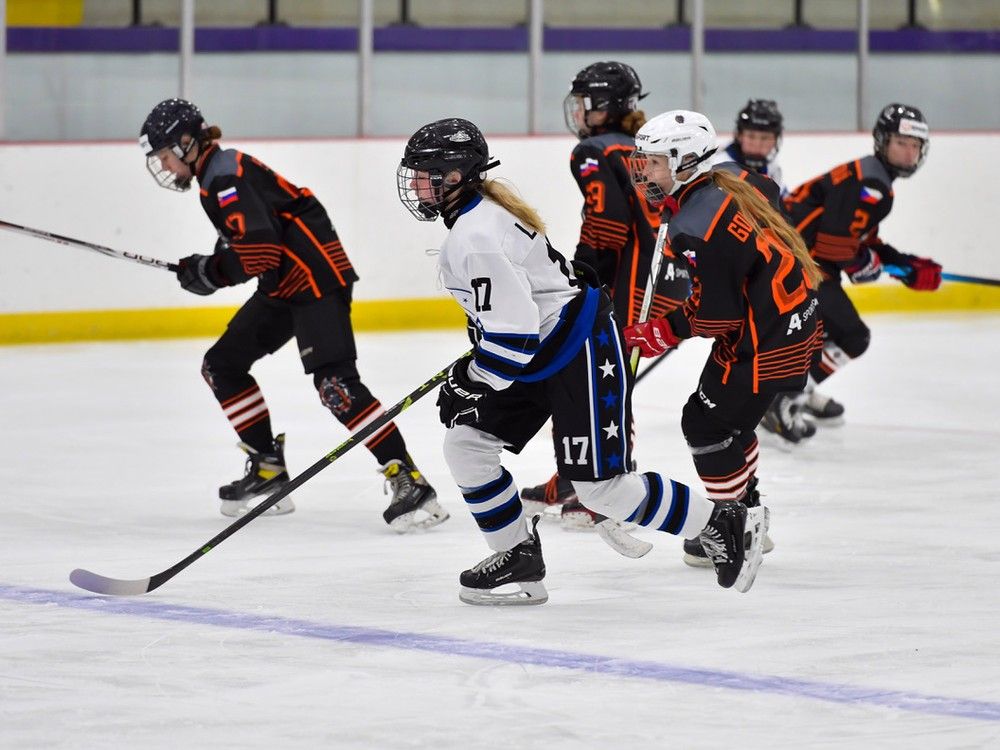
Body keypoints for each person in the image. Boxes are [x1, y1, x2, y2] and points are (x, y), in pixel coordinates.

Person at [396, 117, 768, 604]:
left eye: (425, 173)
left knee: (600, 489)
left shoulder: (475, 237)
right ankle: (519, 560)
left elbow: (512, 337)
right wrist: (475, 372)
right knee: (467, 445)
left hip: (579, 350)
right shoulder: (477, 218)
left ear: (454, 176)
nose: (416, 184)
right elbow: (514, 325)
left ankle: (723, 522)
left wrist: (470, 377)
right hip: (542, 351)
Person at [139, 98, 446, 531]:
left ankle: (409, 479)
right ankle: (267, 469)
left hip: (316, 279)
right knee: (221, 365)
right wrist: (209, 266)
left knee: (335, 385)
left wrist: (210, 272)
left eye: (167, 155)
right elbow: (251, 241)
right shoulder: (216, 174)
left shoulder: (226, 175)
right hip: (284, 285)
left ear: (188, 143)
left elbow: (260, 251)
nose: (167, 167)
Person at [621, 110, 823, 568]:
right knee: (726, 423)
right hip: (793, 322)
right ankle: (748, 516)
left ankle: (732, 530)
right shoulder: (738, 180)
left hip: (763, 340)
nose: (643, 170)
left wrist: (662, 330)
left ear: (686, 161)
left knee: (705, 425)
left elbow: (718, 314)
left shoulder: (695, 226)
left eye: (653, 162)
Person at [520, 61, 692, 527]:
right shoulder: (638, 148)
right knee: (598, 381)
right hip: (663, 281)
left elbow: (608, 226)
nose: (578, 112)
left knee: (606, 384)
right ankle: (578, 478)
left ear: (604, 107)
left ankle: (608, 486)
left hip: (628, 286)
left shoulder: (593, 150)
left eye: (584, 103)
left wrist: (578, 278)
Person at [777, 103, 942, 428]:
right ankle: (786, 397)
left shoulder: (871, 177)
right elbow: (836, 246)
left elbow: (859, 240)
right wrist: (867, 263)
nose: (909, 153)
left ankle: (792, 392)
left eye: (915, 145)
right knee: (854, 337)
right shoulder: (871, 184)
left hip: (798, 261)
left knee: (821, 334)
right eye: (901, 143)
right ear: (882, 140)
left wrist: (905, 265)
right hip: (799, 265)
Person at [710, 98, 788, 196]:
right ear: (739, 136)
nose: (757, 144)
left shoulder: (772, 168)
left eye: (765, 138)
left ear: (775, 140)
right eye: (751, 136)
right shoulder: (717, 167)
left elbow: (785, 204)